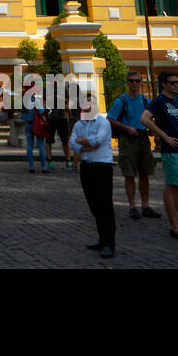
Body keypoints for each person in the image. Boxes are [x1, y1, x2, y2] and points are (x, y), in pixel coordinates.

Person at [140, 70, 178, 240]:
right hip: (171, 150)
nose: (176, 85)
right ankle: (175, 227)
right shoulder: (159, 101)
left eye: (177, 82)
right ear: (163, 84)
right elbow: (145, 119)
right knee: (172, 187)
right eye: (172, 83)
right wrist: (163, 136)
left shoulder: (175, 100)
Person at [106, 71, 161, 220]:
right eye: (131, 81)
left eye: (137, 81)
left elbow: (152, 117)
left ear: (141, 82)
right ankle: (132, 206)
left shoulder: (145, 100)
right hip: (127, 139)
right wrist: (126, 128)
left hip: (143, 138)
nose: (134, 84)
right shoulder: (121, 101)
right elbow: (110, 119)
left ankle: (145, 205)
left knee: (145, 173)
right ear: (127, 82)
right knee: (129, 174)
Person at [71, 100, 115, 258]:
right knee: (93, 205)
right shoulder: (78, 125)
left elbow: (98, 140)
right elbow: (72, 143)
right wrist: (86, 146)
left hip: (103, 167)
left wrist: (81, 143)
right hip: (86, 166)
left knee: (105, 205)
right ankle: (102, 239)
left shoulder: (103, 123)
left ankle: (109, 243)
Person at [20, 104, 49, 173]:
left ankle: (31, 167)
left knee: (29, 146)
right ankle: (43, 167)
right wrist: (45, 107)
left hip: (28, 124)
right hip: (37, 124)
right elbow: (41, 111)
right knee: (41, 145)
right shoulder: (36, 100)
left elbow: (22, 116)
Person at [47, 104, 75, 170]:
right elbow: (44, 102)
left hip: (63, 117)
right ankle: (49, 161)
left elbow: (68, 102)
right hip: (51, 117)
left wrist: (68, 111)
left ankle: (68, 161)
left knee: (65, 140)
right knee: (48, 140)